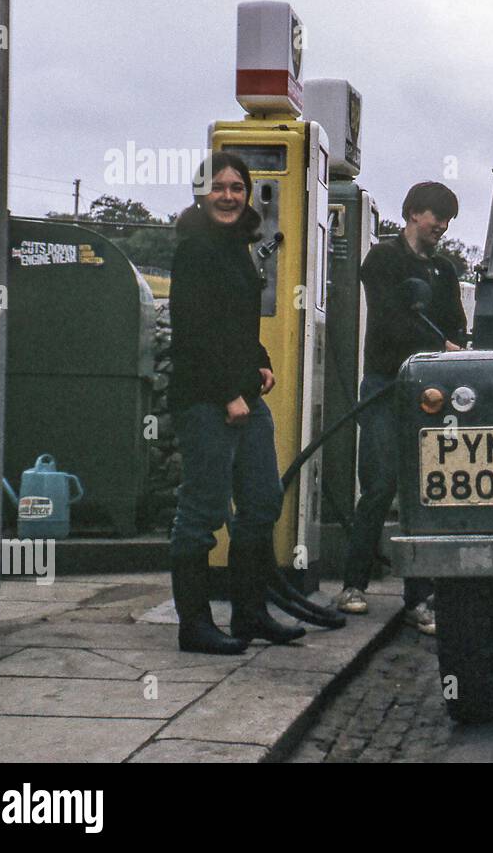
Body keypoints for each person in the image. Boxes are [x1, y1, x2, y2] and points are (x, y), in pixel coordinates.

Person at [167, 152, 305, 654]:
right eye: (218, 187)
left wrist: (262, 359)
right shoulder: (196, 249)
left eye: (237, 187)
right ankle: (195, 626)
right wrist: (228, 394)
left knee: (262, 502)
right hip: (207, 399)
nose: (228, 196)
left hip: (244, 394)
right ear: (202, 194)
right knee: (201, 513)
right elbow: (194, 331)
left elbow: (238, 323)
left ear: (249, 194)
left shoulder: (237, 246)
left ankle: (250, 614)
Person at [336, 182, 468, 633]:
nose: (442, 227)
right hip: (386, 385)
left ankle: (420, 598)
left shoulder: (445, 271)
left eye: (448, 220)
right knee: (379, 483)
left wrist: (453, 347)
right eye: (436, 217)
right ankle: (354, 585)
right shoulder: (382, 260)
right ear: (413, 213)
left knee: (425, 488)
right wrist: (440, 344)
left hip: (429, 393)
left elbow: (457, 326)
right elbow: (390, 322)